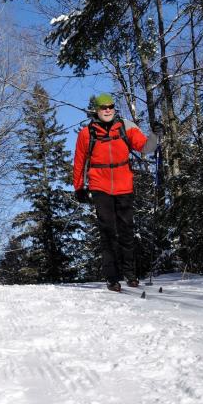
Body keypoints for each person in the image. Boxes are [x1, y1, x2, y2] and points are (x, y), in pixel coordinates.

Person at [72, 93, 161, 292]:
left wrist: (154, 135)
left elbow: (145, 148)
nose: (108, 110)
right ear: (96, 110)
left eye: (111, 106)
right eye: (103, 107)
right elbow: (79, 161)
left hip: (124, 184)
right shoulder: (87, 133)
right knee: (108, 232)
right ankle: (112, 278)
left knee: (127, 231)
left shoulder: (126, 126)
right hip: (99, 185)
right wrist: (78, 187)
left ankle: (131, 275)